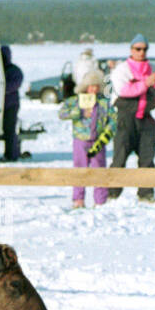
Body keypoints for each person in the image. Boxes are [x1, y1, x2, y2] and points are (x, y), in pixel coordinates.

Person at [108, 34, 155, 202]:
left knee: (147, 157)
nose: (141, 52)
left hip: (145, 117)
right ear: (131, 50)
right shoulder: (122, 69)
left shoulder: (152, 67)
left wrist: (150, 87)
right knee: (120, 156)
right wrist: (145, 84)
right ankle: (112, 193)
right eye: (138, 49)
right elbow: (123, 91)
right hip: (126, 117)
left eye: (144, 49)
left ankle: (146, 192)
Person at [59, 67, 115, 209]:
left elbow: (113, 120)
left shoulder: (104, 103)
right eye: (91, 86)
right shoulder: (75, 101)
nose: (94, 90)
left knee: (99, 170)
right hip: (81, 140)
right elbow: (62, 113)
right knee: (79, 169)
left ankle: (100, 200)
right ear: (85, 87)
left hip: (98, 141)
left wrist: (105, 136)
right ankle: (78, 200)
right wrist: (79, 112)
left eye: (96, 86)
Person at [0, 45, 24, 161]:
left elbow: (15, 84)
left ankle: (11, 154)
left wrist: (1, 89)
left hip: (11, 105)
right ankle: (9, 153)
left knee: (10, 129)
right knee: (5, 130)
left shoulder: (14, 71)